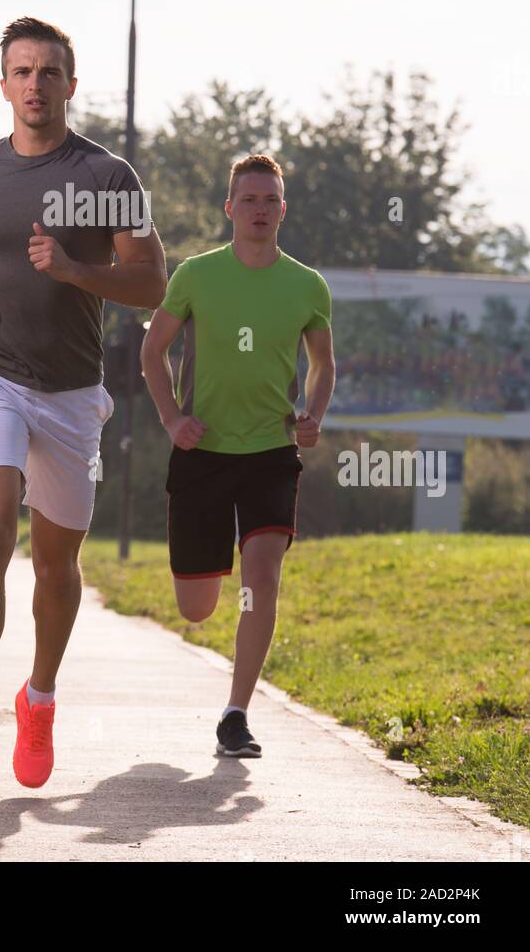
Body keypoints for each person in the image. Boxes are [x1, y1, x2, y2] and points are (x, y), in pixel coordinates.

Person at [0, 16, 166, 787]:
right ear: (3, 86)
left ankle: (40, 697)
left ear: (69, 83)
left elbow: (153, 282)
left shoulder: (106, 179)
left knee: (56, 566)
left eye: (47, 72)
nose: (34, 85)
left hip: (69, 391)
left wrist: (74, 271)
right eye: (20, 72)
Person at [140, 153, 335, 760]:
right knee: (196, 608)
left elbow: (325, 364)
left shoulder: (307, 285)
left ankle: (236, 713)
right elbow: (153, 353)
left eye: (269, 199)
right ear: (230, 208)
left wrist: (314, 416)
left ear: (283, 208)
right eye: (248, 199)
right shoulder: (196, 276)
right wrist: (173, 419)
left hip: (271, 452)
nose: (259, 209)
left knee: (263, 578)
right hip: (203, 452)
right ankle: (214, 591)